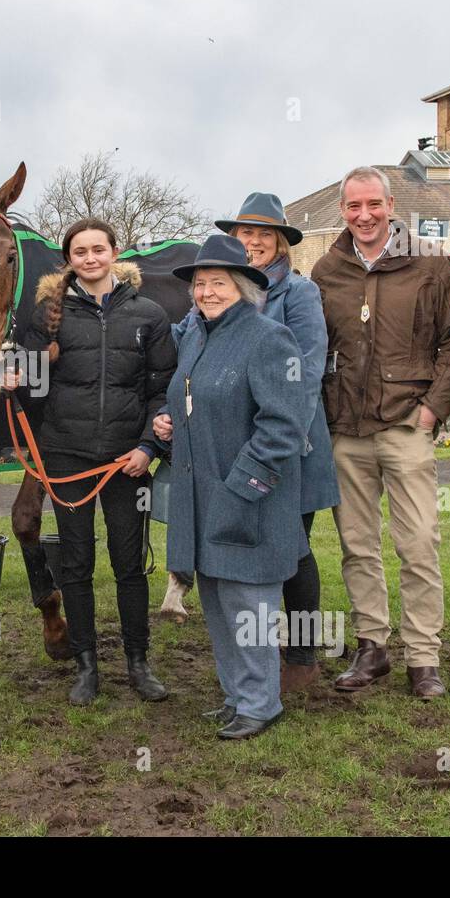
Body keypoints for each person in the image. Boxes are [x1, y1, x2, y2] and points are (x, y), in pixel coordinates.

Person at [7, 217, 176, 705]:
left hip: (126, 460)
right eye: (79, 252)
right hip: (68, 457)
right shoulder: (47, 314)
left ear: (114, 252)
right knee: (76, 563)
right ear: (69, 259)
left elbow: (161, 389)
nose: (90, 259)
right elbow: (32, 381)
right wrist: (16, 378)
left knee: (129, 563)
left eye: (98, 249)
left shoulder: (148, 314)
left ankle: (138, 662)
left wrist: (148, 447)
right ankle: (86, 666)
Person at [310, 166, 450, 699]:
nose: (364, 215)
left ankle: (424, 657)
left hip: (406, 424)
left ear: (391, 205)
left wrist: (432, 411)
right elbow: (315, 348)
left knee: (418, 543)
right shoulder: (327, 270)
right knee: (357, 545)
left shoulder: (431, 263)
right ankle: (371, 646)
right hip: (346, 430)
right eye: (354, 206)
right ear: (343, 210)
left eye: (373, 204)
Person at [154, 234, 308, 739]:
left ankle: (261, 704)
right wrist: (170, 422)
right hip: (202, 499)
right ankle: (236, 696)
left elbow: (283, 425)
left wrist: (243, 485)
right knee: (219, 603)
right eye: (200, 284)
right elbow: (194, 400)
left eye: (218, 282)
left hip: (250, 499)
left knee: (250, 605)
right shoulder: (196, 337)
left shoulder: (268, 338)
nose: (207, 292)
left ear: (243, 287)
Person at [218, 193, 339, 691]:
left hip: (292, 444)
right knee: (253, 549)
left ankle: (303, 655)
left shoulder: (300, 294)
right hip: (237, 444)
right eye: (246, 233)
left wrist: (285, 436)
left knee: (293, 547)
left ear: (281, 242)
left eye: (264, 235)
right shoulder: (224, 291)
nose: (254, 242)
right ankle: (258, 652)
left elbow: (307, 369)